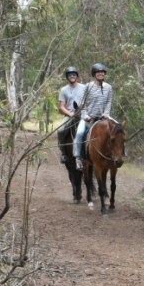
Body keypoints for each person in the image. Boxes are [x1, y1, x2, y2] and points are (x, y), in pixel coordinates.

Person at [71, 63, 115, 161]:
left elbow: (108, 102)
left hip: (103, 117)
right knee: (79, 133)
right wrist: (85, 115)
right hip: (88, 118)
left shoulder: (108, 87)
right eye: (98, 72)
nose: (100, 74)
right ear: (94, 74)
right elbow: (82, 103)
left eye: (102, 72)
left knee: (118, 128)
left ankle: (120, 153)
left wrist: (106, 113)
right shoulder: (88, 86)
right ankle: (78, 157)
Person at [57, 67, 87, 202]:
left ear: (77, 76)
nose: (72, 76)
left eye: (74, 74)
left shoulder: (84, 87)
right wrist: (69, 114)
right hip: (70, 115)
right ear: (67, 77)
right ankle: (64, 152)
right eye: (70, 75)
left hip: (84, 115)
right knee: (61, 130)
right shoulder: (64, 90)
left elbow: (88, 101)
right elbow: (61, 106)